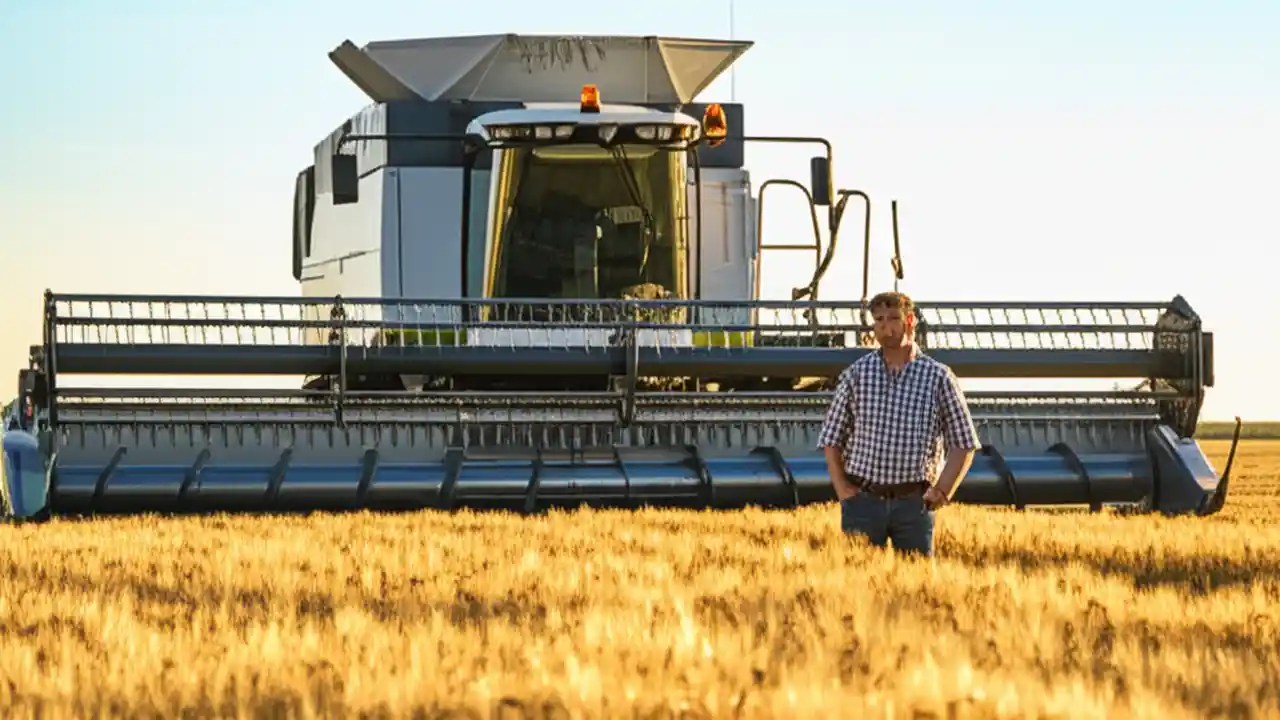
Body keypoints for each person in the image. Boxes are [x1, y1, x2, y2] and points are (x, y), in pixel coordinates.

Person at [816, 291, 981, 556]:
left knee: (916, 589)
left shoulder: (938, 377)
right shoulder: (856, 374)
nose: (884, 326)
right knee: (858, 586)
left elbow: (964, 442)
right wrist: (843, 489)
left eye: (893, 318)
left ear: (910, 320)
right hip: (863, 501)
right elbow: (831, 438)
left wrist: (943, 491)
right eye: (878, 319)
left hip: (914, 504)